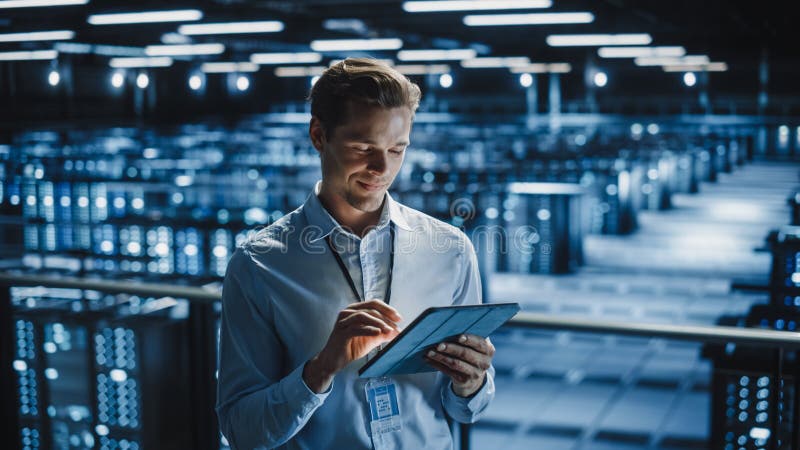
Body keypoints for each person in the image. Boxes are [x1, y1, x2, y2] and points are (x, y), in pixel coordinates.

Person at [216, 57, 496, 450]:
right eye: (364, 147)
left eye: (397, 149)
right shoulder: (259, 265)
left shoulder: (450, 250)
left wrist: (472, 383)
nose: (382, 167)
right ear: (319, 135)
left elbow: (467, 410)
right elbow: (242, 429)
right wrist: (320, 369)